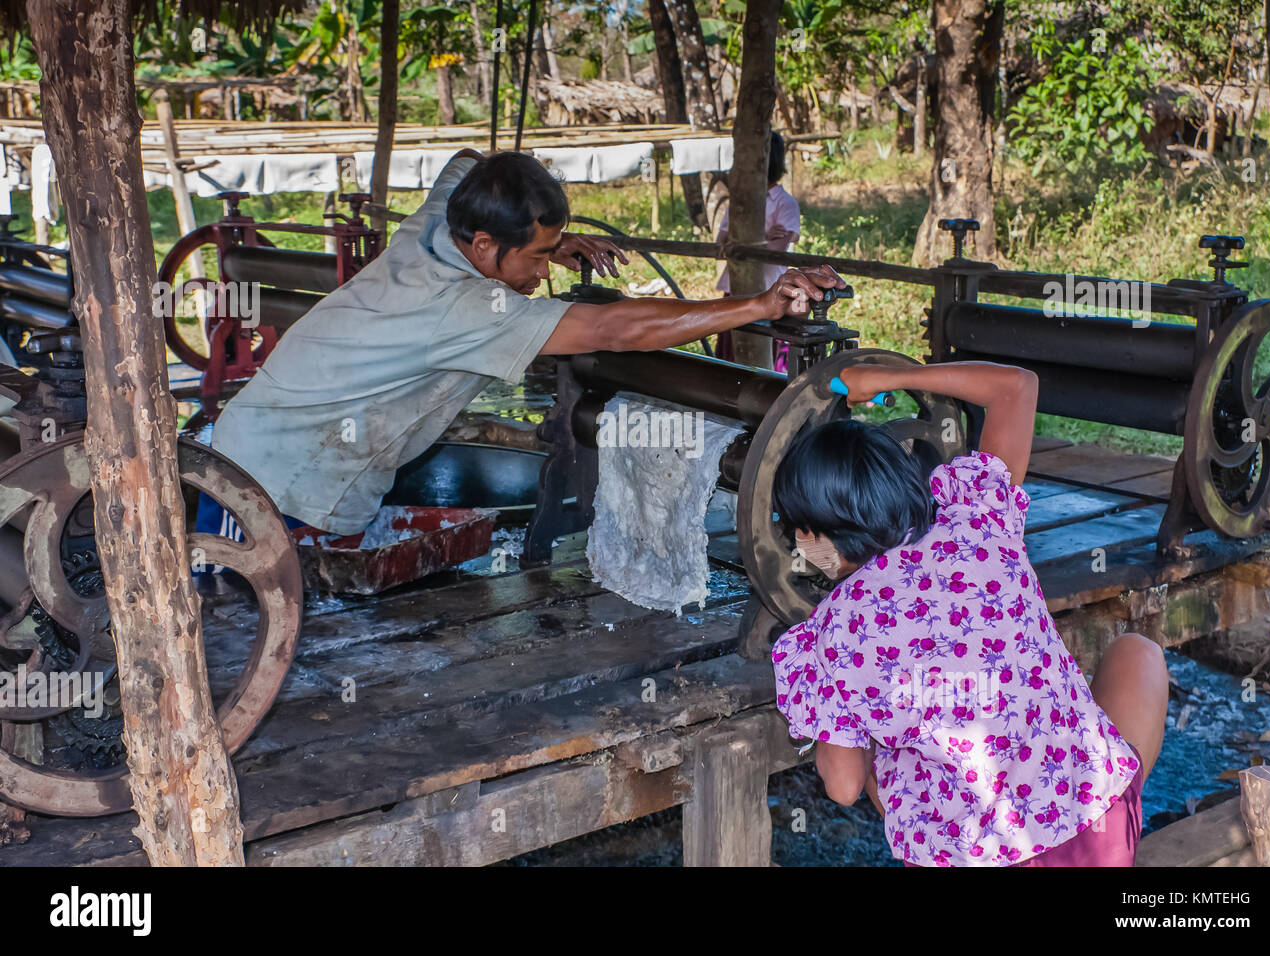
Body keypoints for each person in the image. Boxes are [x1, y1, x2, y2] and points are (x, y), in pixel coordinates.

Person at [205, 148, 844, 538]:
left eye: (549, 254)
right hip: (273, 484)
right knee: (245, 627)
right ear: (483, 245)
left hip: (243, 446)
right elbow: (611, 329)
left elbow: (465, 161)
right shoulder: (463, 306)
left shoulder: (435, 223)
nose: (544, 273)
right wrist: (757, 304)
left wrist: (544, 239)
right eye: (536, 257)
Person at [770, 360, 1168, 866]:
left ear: (818, 534)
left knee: (891, 761)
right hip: (1096, 841)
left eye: (797, 532)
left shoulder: (824, 641)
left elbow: (844, 788)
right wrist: (887, 377)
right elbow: (1016, 387)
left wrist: (878, 735)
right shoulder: (980, 521)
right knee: (1139, 652)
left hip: (971, 856)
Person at [714, 131, 801, 370]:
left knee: (765, 358)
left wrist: (743, 243)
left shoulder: (785, 203)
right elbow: (723, 243)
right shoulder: (738, 202)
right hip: (736, 287)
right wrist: (762, 237)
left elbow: (777, 250)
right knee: (732, 354)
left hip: (769, 289)